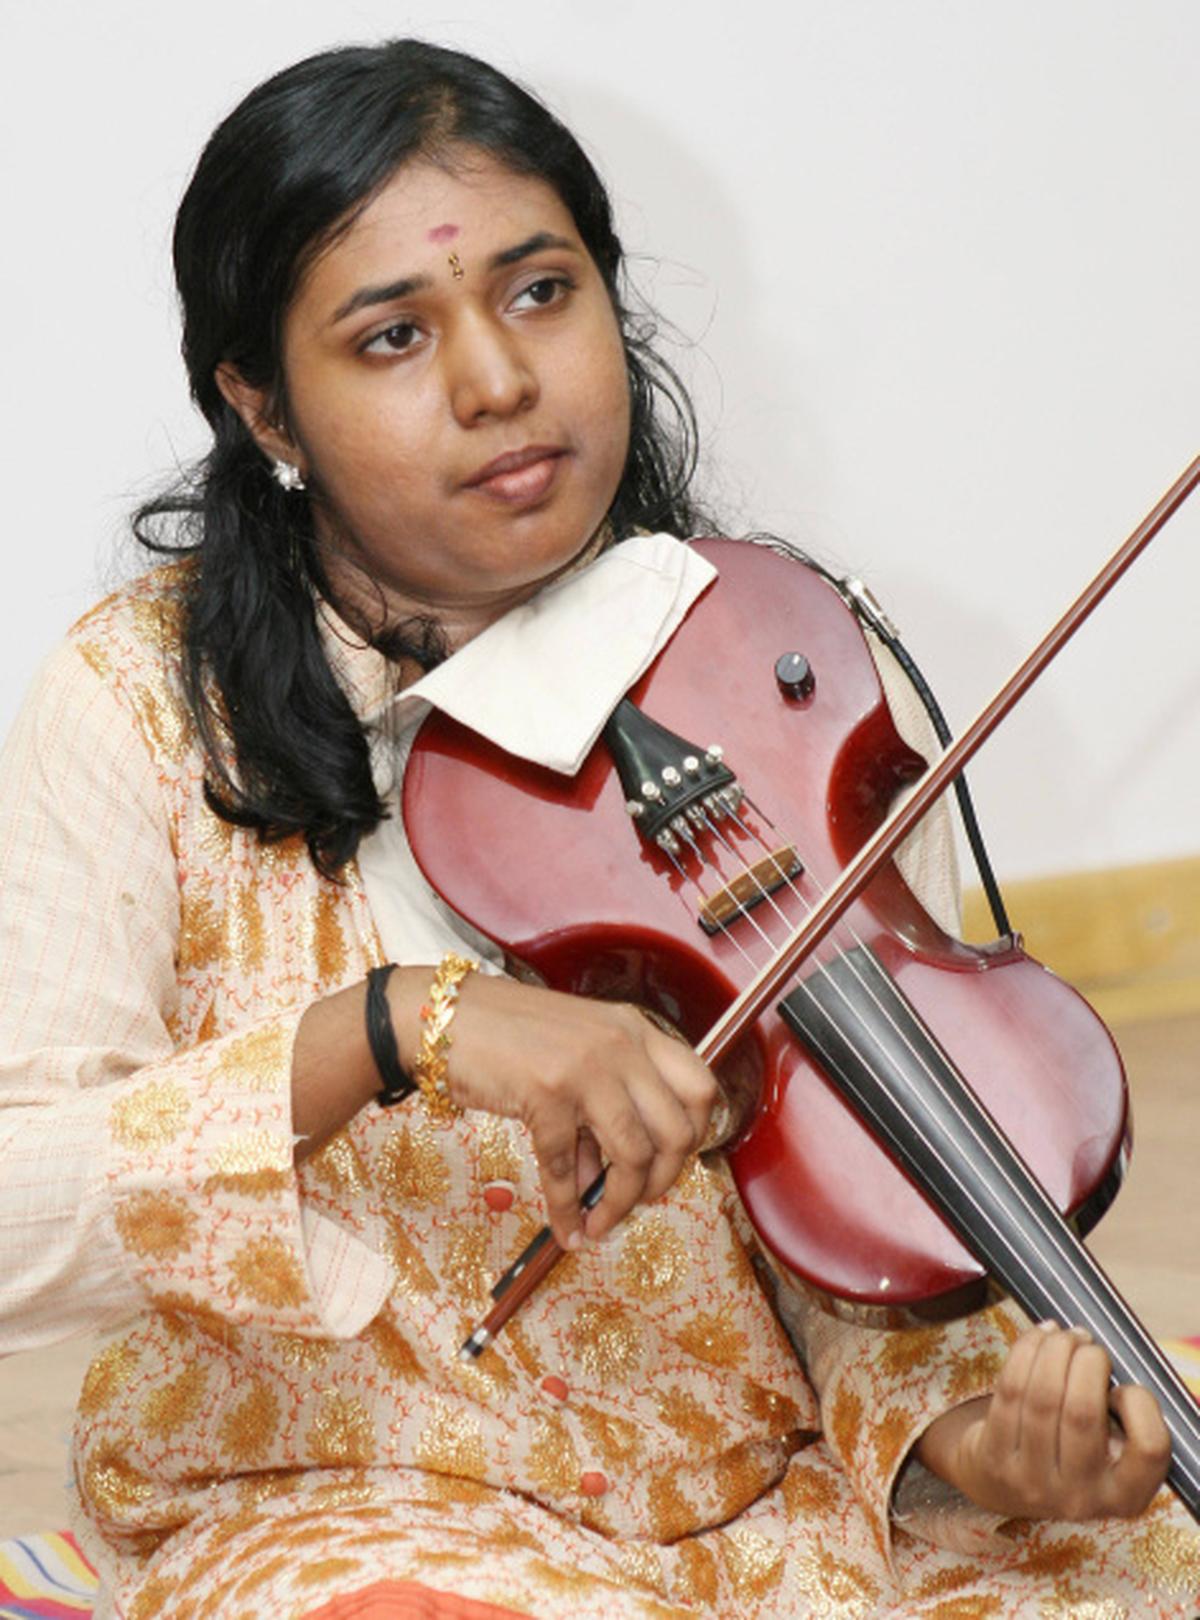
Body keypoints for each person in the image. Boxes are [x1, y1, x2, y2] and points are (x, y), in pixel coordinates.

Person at [0, 38, 1195, 1619]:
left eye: (542, 292)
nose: (498, 380)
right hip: (359, 1502)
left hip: (774, 1494)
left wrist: (969, 1447)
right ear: (261, 404)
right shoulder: (138, 707)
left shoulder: (789, 665)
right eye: (393, 336)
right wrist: (389, 1028)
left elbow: (865, 1213)